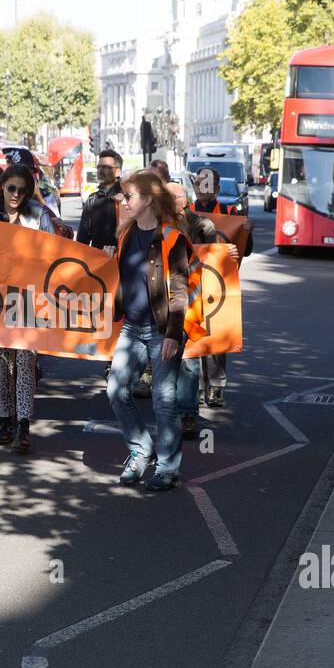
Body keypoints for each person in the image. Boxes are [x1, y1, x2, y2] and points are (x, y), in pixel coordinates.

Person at [107, 170, 192, 491]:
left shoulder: (172, 238)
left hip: (161, 329)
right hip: (131, 325)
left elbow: (180, 290)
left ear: (148, 200)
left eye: (128, 196)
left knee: (163, 400)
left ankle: (168, 469)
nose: (122, 201)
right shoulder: (126, 233)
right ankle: (141, 450)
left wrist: (173, 333)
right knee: (116, 390)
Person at [0, 163, 61, 452]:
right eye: (11, 188)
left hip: (28, 296)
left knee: (25, 361)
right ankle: (5, 418)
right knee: (2, 362)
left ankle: (23, 424)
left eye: (22, 190)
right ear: (2, 185)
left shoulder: (38, 215)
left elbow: (53, 252)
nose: (16, 194)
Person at [168, 182, 239, 438]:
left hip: (191, 300)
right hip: (160, 301)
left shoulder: (202, 226)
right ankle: (169, 410)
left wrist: (226, 251)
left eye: (170, 196)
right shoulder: (155, 223)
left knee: (188, 357)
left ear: (183, 201)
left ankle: (188, 413)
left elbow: (214, 258)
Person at [77, 149, 123, 252]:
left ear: (117, 172)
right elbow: (82, 239)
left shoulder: (127, 197)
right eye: (99, 166)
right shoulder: (92, 200)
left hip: (123, 262)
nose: (100, 170)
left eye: (106, 167)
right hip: (99, 263)